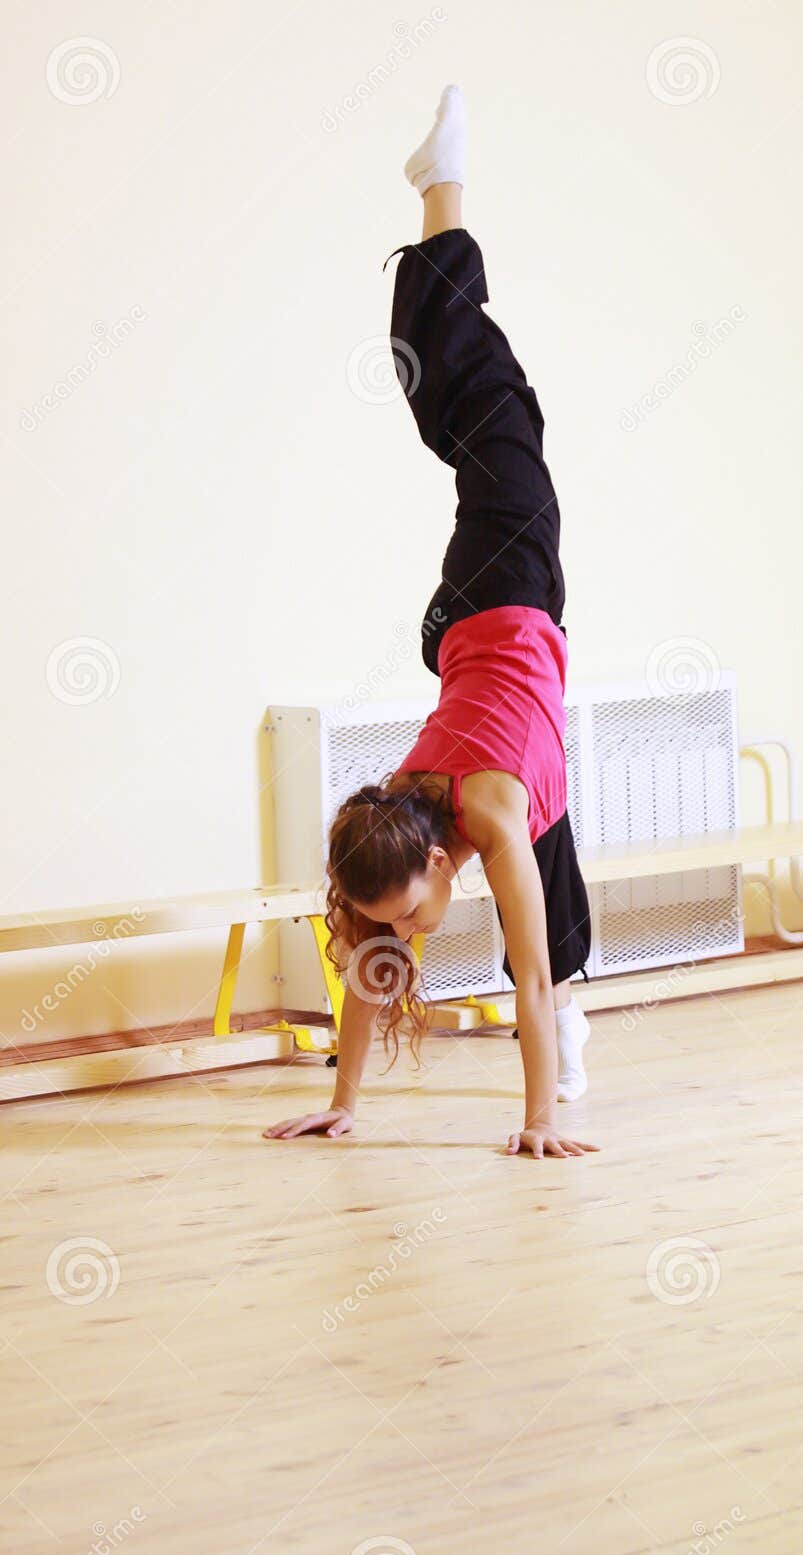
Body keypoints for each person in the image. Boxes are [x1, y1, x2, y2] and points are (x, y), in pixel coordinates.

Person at [266, 87, 598, 1159]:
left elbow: (525, 975)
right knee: (465, 412)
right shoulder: (401, 833)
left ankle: (439, 197)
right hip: (466, 626)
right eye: (404, 922)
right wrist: (345, 1098)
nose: (414, 932)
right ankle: (436, 218)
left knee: (494, 407)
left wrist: (535, 1123)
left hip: (502, 584)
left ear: (430, 860)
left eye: (410, 912)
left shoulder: (483, 815)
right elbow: (369, 975)